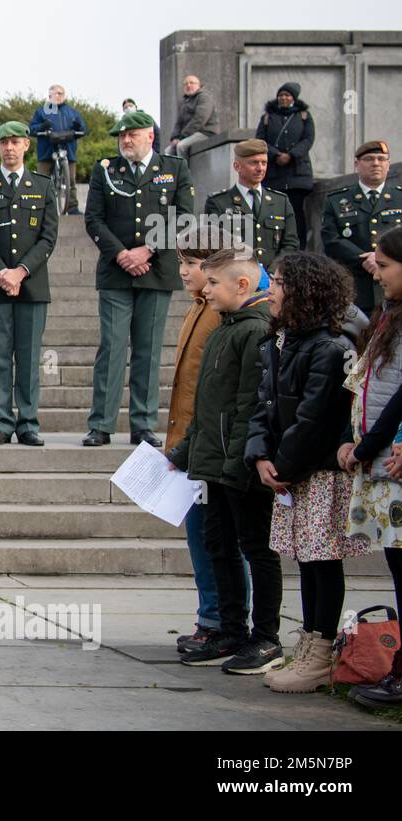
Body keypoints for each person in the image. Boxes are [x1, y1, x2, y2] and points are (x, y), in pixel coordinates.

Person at [247, 252, 367, 693]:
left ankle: (320, 654)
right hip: (289, 470)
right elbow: (264, 404)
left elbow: (315, 418)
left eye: (277, 282)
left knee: (322, 561)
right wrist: (260, 454)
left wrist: (283, 464)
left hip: (316, 472)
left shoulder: (331, 346)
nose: (270, 290)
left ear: (304, 291)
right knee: (305, 559)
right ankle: (311, 647)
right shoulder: (282, 340)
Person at [170, 248, 283, 675]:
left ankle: (266, 637)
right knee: (219, 545)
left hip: (237, 466)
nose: (206, 288)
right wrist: (185, 452)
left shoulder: (254, 331)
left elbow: (248, 408)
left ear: (242, 285)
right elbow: (208, 403)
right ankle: (230, 629)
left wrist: (238, 463)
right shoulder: (224, 327)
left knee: (255, 548)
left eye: (213, 283)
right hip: (212, 462)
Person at [83, 110, 193, 447]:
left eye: (132, 134)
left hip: (156, 271)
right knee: (112, 348)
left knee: (148, 349)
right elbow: (94, 219)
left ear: (150, 136)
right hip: (117, 272)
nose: (125, 140)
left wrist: (147, 250)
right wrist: (122, 255)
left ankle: (143, 424)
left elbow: (184, 217)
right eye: (121, 135)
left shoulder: (174, 168)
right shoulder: (106, 170)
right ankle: (101, 423)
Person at [0, 121, 59, 446]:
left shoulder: (43, 186)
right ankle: (2, 423)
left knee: (30, 357)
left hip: (32, 286)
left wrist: (20, 272)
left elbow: (48, 238)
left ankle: (28, 423)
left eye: (15, 142)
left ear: (26, 146)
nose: (9, 148)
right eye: (3, 142)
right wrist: (1, 273)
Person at [339, 226, 402, 708]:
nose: (374, 274)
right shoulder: (391, 315)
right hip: (382, 457)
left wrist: (368, 447)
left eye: (383, 266)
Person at [165, 236, 226, 654]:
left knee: (214, 540)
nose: (184, 271)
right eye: (182, 262)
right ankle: (213, 618)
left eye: (193, 263)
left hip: (207, 446)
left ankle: (219, 622)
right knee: (200, 537)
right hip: (189, 441)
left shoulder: (222, 313)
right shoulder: (198, 306)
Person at [321, 140, 398, 315]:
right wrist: (366, 259)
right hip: (356, 287)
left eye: (381, 159)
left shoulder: (399, 198)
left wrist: (380, 259)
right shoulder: (337, 200)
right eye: (369, 159)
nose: (376, 163)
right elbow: (331, 240)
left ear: (388, 165)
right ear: (357, 164)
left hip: (395, 287)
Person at [204, 139, 299, 268]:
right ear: (237, 166)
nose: (260, 168)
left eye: (264, 163)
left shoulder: (281, 201)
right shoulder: (218, 203)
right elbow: (214, 247)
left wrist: (271, 274)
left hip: (272, 281)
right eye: (254, 163)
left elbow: (290, 244)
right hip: (235, 279)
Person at [255, 83, 315, 248]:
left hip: (297, 174)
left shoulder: (304, 116)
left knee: (296, 212)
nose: (283, 98)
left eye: (287, 95)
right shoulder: (267, 118)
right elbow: (261, 141)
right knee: (274, 212)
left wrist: (291, 155)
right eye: (281, 95)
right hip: (275, 174)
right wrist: (276, 155)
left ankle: (298, 247)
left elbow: (308, 139)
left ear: (294, 98)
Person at [29, 85, 87, 216]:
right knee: (41, 181)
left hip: (68, 152)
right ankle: (40, 210)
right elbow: (31, 129)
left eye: (61, 93)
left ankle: (72, 208)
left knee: (71, 181)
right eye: (55, 94)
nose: (58, 96)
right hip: (46, 151)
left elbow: (83, 128)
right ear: (49, 96)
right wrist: (42, 127)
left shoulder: (72, 112)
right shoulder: (41, 112)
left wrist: (79, 126)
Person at [167, 75, 219, 160]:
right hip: (189, 135)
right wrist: (175, 137)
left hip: (205, 132)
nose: (188, 85)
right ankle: (172, 173)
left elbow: (199, 119)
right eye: (186, 84)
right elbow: (179, 123)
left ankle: (184, 172)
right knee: (168, 151)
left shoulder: (204, 97)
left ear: (198, 85)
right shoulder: (184, 102)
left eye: (192, 83)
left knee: (181, 146)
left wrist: (182, 137)